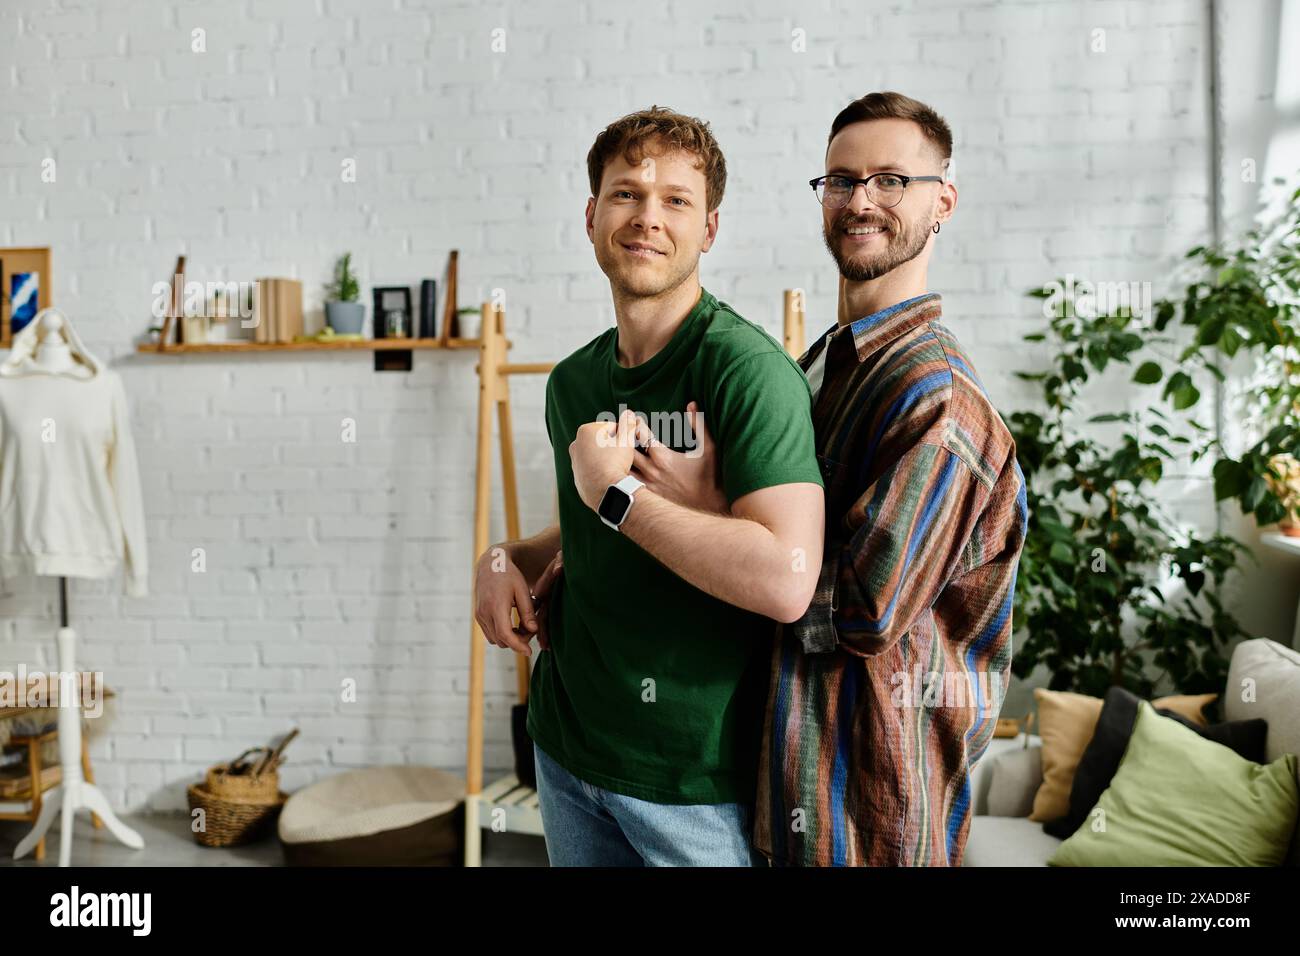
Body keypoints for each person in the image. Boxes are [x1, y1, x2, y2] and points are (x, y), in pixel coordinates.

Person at [472, 106, 825, 867]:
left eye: (676, 201)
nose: (647, 218)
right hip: (567, 752)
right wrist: (505, 559)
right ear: (592, 216)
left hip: (693, 786)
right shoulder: (572, 381)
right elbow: (584, 531)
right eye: (626, 193)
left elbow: (786, 580)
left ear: (710, 230)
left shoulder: (748, 372)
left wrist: (621, 497)